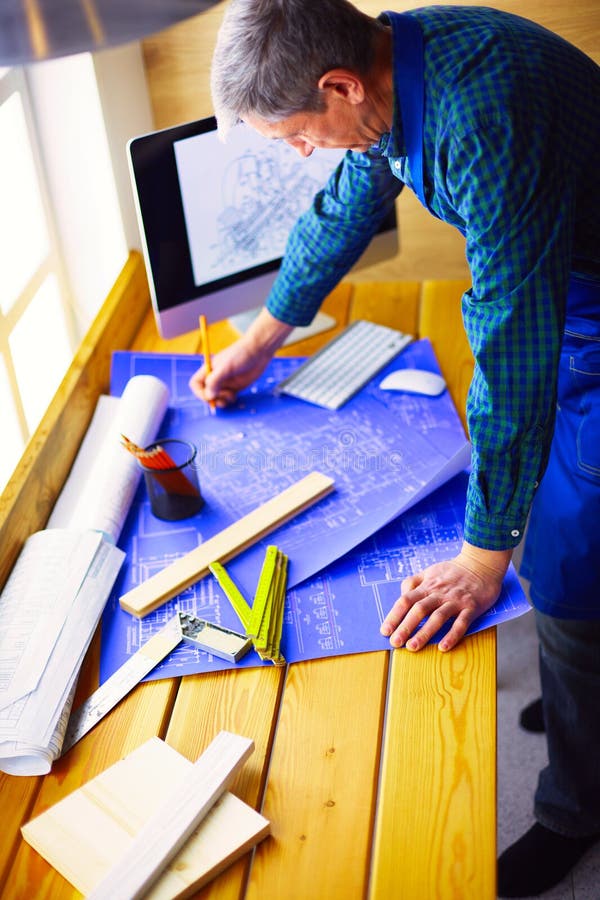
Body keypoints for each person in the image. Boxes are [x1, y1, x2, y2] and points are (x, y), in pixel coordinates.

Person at [188, 2, 600, 894]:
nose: (304, 153)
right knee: (551, 538)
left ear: (338, 85)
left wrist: (482, 562)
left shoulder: (483, 119)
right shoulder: (389, 66)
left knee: (562, 565)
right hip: (565, 298)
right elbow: (340, 215)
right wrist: (258, 342)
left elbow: (510, 350)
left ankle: (575, 804)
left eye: (298, 135)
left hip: (589, 316)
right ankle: (582, 704)